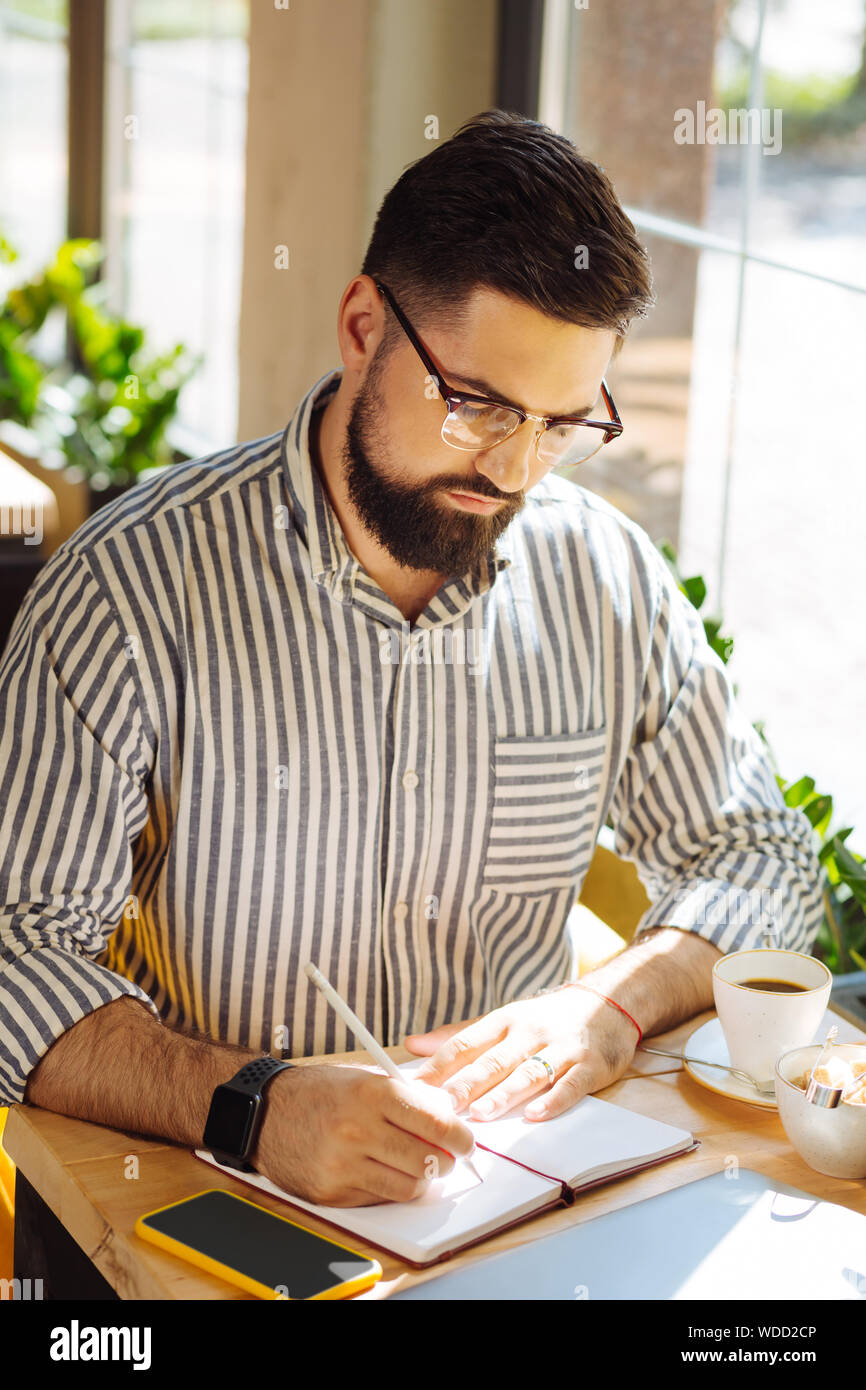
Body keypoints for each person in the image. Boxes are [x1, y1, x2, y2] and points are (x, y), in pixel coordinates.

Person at [0, 111, 823, 1208]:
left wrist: (613, 1001)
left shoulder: (603, 578)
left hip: (511, 1200)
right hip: (224, 1202)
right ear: (358, 325)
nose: (516, 469)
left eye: (562, 423)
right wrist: (253, 1103)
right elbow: (16, 958)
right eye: (476, 404)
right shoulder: (128, 591)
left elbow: (760, 854)